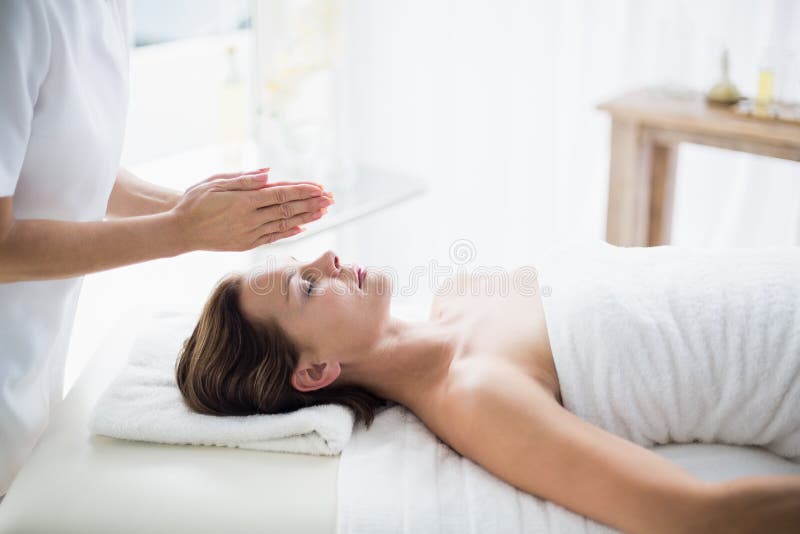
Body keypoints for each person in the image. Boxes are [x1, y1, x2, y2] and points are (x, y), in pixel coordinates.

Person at [176, 244, 800, 533]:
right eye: (306, 288)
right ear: (313, 373)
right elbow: (690, 516)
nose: (329, 259)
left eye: (304, 261)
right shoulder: (473, 398)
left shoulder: (462, 293)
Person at [0, 1, 333, 497]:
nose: (328, 263)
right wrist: (183, 229)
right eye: (304, 288)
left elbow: (69, 167)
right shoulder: (18, 16)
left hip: (31, 379)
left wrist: (199, 210)